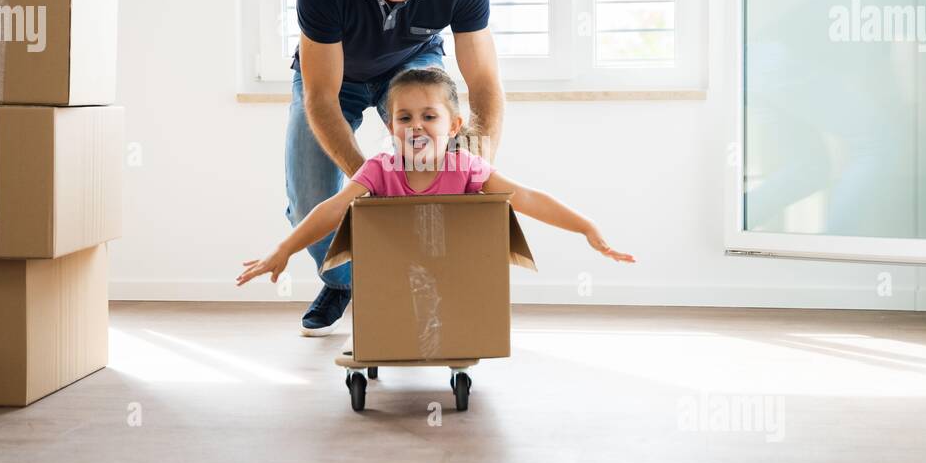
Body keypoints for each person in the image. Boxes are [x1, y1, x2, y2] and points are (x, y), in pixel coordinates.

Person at [283, 0, 505, 335]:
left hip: (411, 65)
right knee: (308, 199)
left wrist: (479, 162)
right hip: (334, 78)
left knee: (436, 169)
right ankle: (344, 281)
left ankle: (430, 284)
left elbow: (483, 83)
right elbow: (321, 96)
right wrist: (370, 183)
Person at [242, 66, 635, 290]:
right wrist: (284, 249)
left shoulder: (464, 167)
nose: (416, 127)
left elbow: (525, 198)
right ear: (390, 126)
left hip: (452, 277)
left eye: (429, 117)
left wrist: (586, 227)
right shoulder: (381, 170)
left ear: (453, 125)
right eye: (404, 118)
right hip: (391, 277)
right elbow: (332, 209)